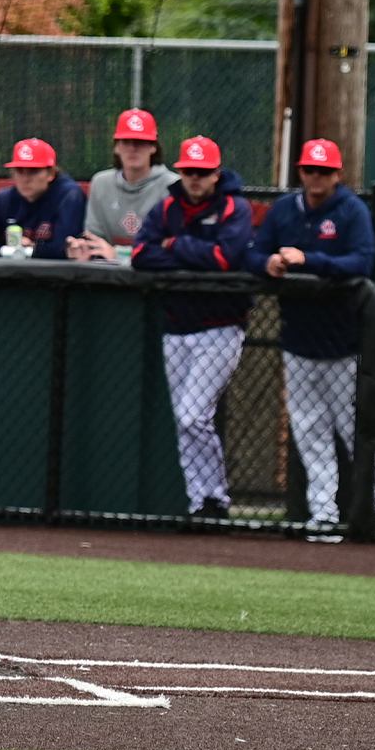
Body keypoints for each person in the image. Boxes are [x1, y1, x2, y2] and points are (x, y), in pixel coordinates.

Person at [252, 138, 375, 542]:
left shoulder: (351, 209)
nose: (316, 177)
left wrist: (311, 261)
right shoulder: (286, 210)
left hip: (345, 344)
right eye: (310, 169)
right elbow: (253, 253)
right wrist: (268, 262)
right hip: (298, 338)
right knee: (309, 431)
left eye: (324, 171)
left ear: (337, 174)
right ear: (301, 170)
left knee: (352, 429)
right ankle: (323, 513)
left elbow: (362, 261)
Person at [132, 136, 253, 521]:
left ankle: (214, 497)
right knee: (184, 420)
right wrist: (185, 252)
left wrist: (173, 245)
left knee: (192, 415)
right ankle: (200, 502)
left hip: (221, 327)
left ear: (216, 174)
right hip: (176, 326)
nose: (195, 178)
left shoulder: (235, 207)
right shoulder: (168, 205)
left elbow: (224, 258)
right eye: (189, 171)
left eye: (202, 172)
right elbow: (140, 256)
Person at [70, 109, 178, 262]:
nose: (133, 148)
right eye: (126, 141)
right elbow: (93, 238)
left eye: (140, 142)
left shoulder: (173, 186)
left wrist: (117, 253)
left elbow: (169, 247)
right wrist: (83, 249)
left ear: (153, 147)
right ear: (116, 147)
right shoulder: (101, 183)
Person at [0, 139, 86, 259]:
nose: (26, 179)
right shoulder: (5, 198)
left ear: (51, 174)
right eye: (20, 171)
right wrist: (6, 251)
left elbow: (65, 249)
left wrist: (31, 250)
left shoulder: (68, 195)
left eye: (34, 171)